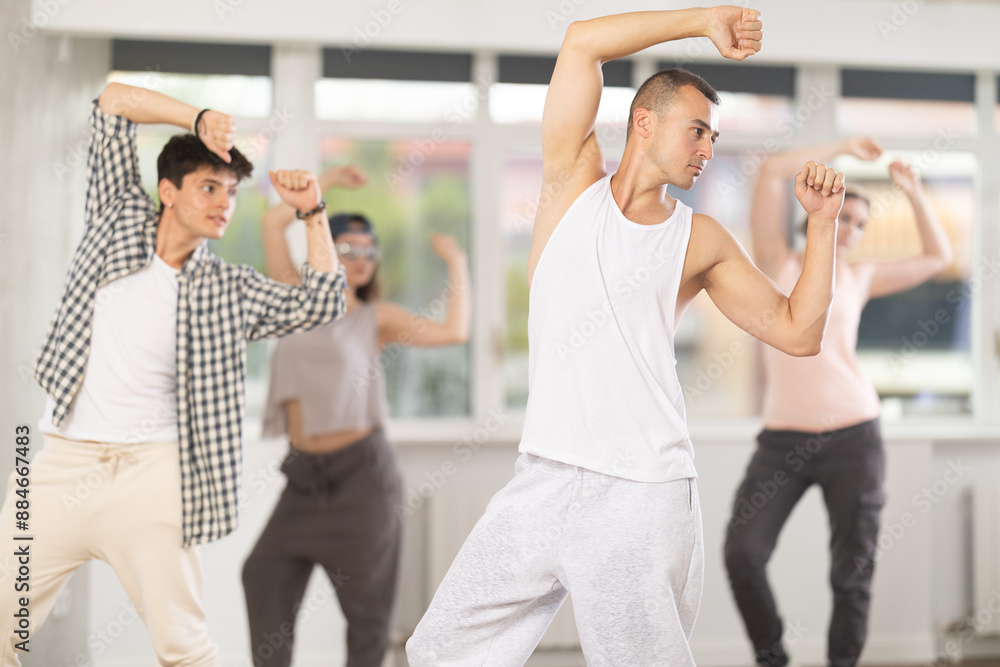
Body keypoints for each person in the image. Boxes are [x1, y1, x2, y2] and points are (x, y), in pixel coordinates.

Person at [406, 6, 850, 666]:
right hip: (545, 477)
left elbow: (798, 332)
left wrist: (821, 227)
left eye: (715, 137)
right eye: (697, 129)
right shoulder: (569, 182)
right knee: (438, 648)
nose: (708, 149)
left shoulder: (698, 239)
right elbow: (582, 44)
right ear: (644, 121)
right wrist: (704, 21)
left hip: (641, 490)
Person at [0, 82, 347, 665]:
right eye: (209, 187)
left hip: (152, 478)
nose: (224, 202)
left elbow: (322, 303)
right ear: (167, 191)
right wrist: (199, 117)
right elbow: (112, 102)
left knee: (183, 648)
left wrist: (312, 212)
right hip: (60, 464)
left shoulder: (227, 289)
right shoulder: (116, 218)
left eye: (232, 191)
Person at [724, 138, 952, 667]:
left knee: (851, 574)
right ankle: (772, 658)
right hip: (782, 439)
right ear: (818, 213)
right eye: (843, 215)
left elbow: (938, 255)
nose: (848, 228)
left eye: (859, 224)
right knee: (743, 554)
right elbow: (770, 173)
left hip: (854, 436)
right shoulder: (774, 260)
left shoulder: (859, 275)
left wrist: (913, 192)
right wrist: (843, 148)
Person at [242, 164, 471, 667]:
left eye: (369, 252)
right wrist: (321, 189)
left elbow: (454, 332)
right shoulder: (293, 294)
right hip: (302, 477)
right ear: (325, 245)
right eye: (348, 248)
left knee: (367, 621)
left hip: (361, 478)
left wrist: (457, 262)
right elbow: (270, 223)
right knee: (261, 574)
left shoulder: (376, 317)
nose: (360, 259)